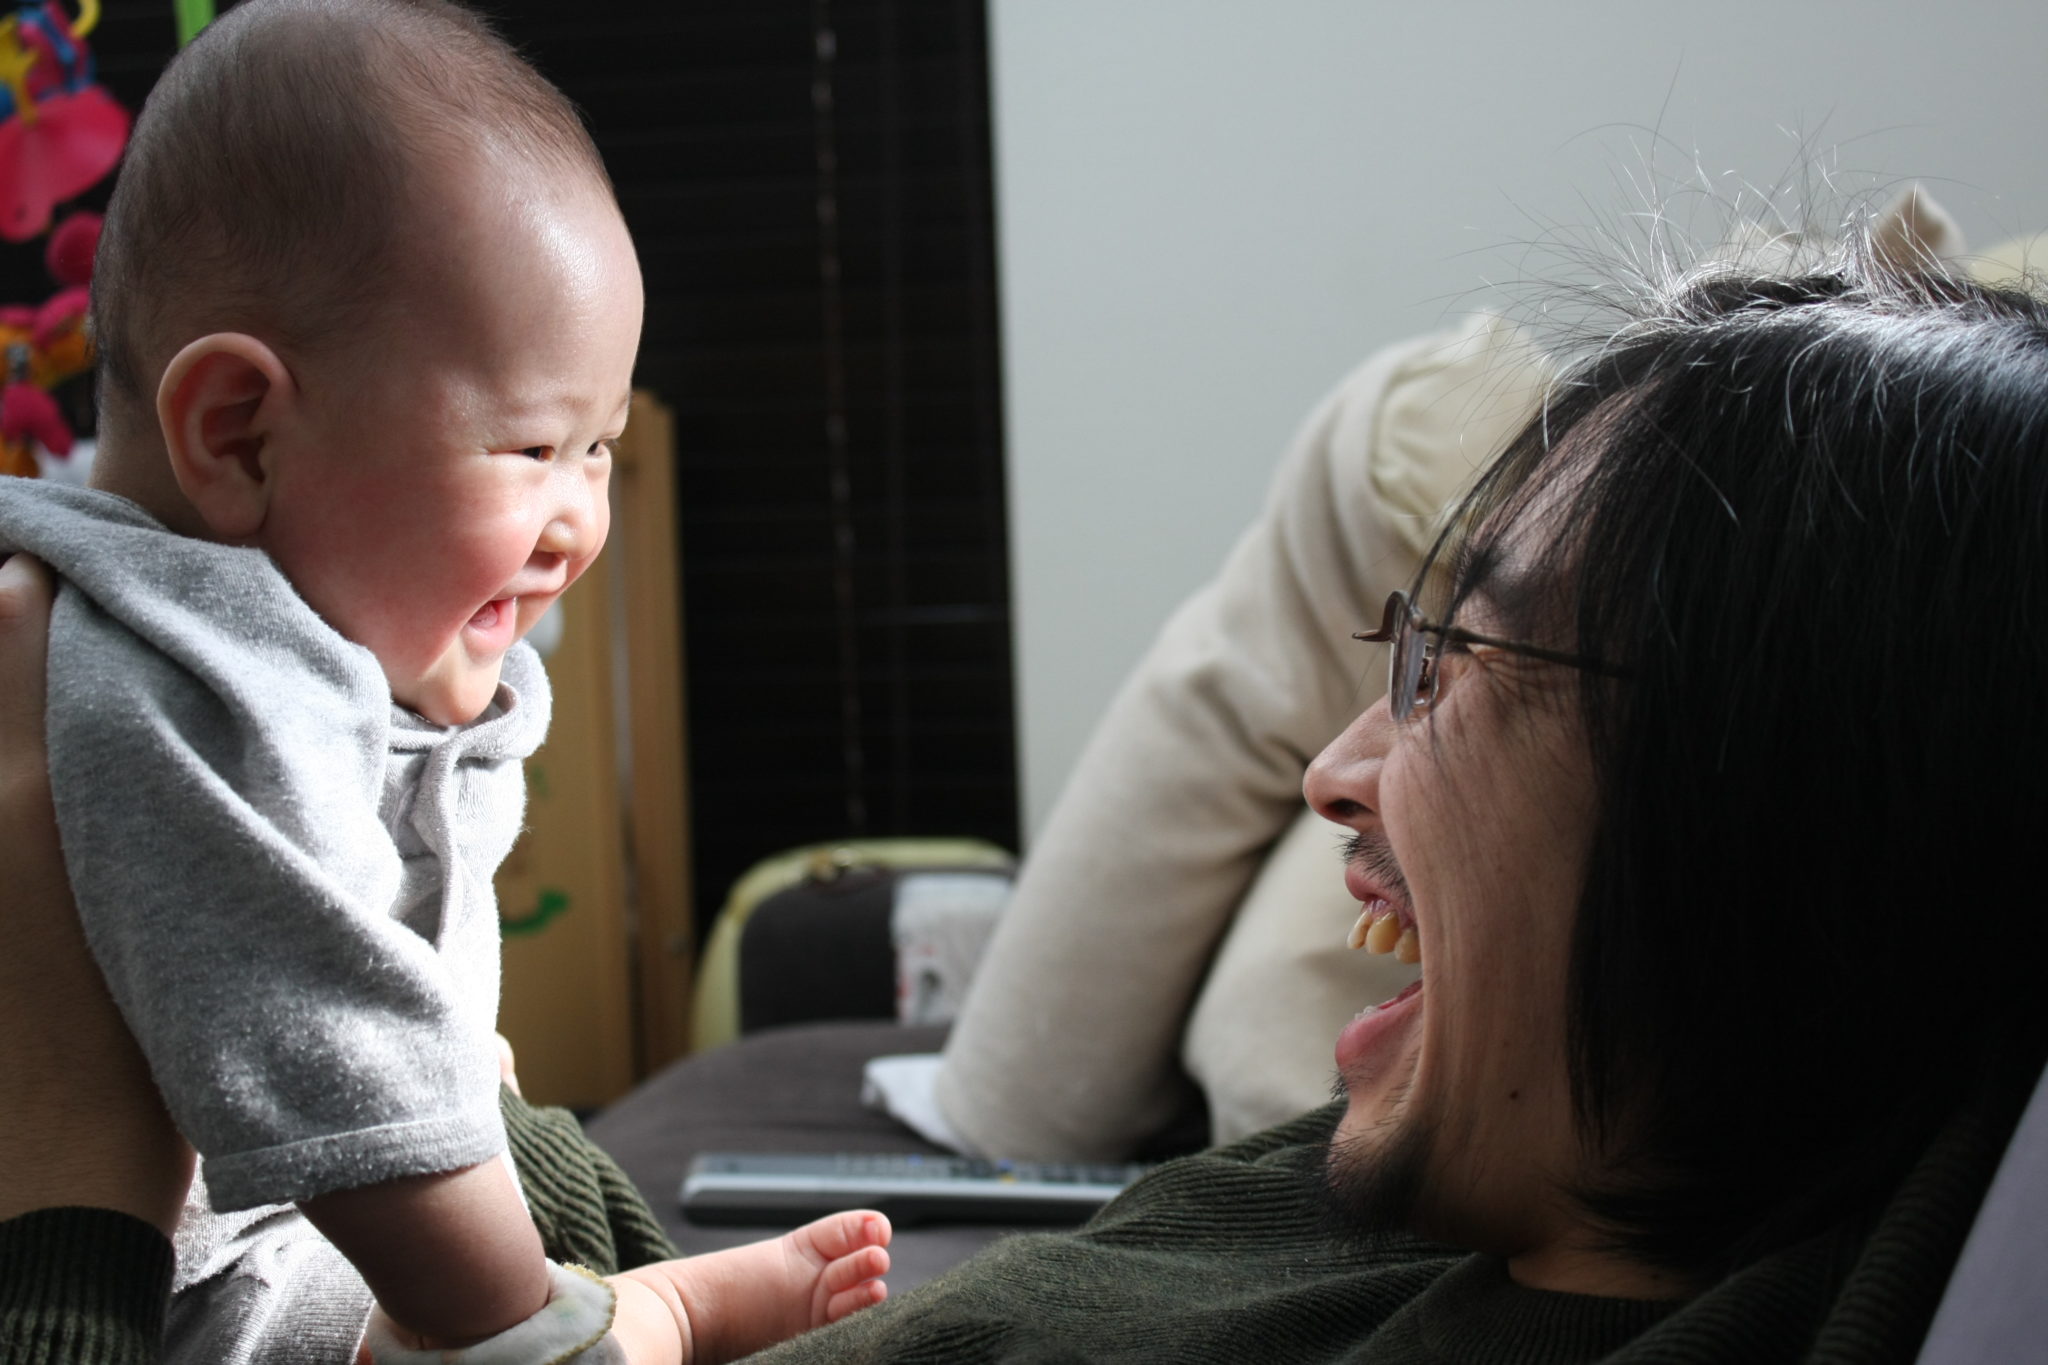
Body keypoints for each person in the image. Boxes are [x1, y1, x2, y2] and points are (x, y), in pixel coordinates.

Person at [11, 225, 2048, 1363]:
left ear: (1778, 816)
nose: (1335, 765)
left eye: (1443, 673)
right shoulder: (1460, 1185)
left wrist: (70, 1175)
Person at [0, 1, 888, 1361]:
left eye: (599, 448)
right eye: (534, 445)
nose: (580, 518)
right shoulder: (187, 673)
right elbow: (348, 1062)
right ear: (238, 434)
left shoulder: (284, 649)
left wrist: (614, 1248)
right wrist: (524, 1330)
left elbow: (445, 1058)